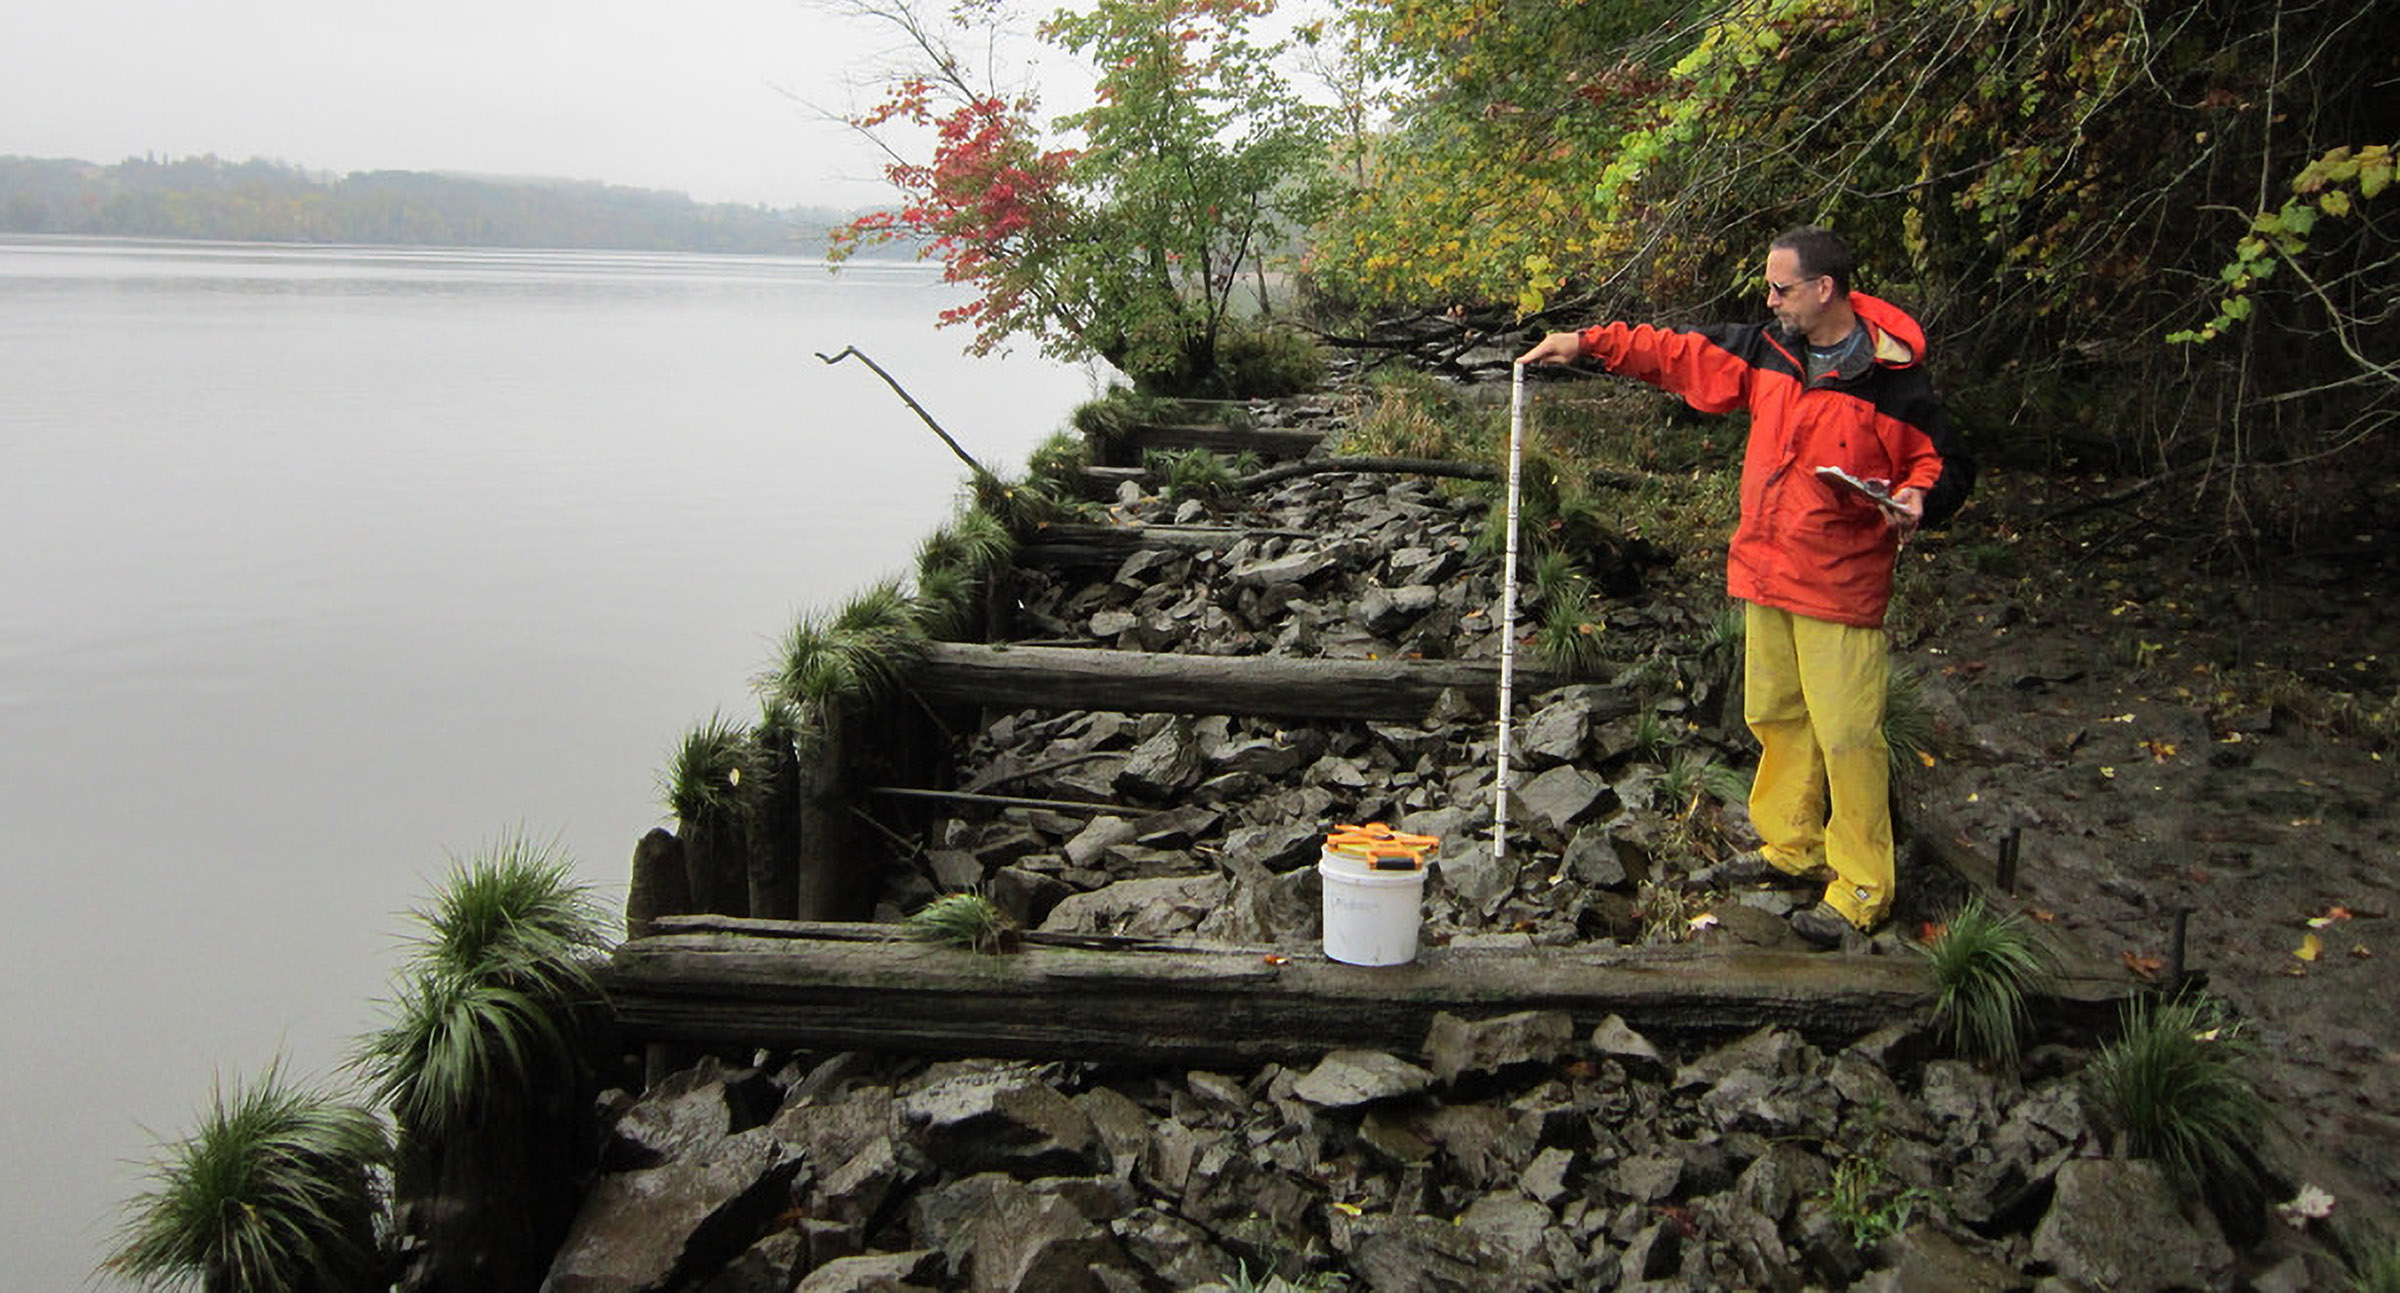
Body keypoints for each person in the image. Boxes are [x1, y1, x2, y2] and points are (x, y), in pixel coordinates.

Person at [1516, 225, 1971, 947]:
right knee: (1775, 712)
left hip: (1841, 583)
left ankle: (1860, 884)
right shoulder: (1770, 348)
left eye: (1781, 287)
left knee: (1850, 736)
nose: (1770, 298)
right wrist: (1587, 343)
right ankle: (1792, 843)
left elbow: (1942, 462)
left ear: (1825, 289)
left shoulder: (1892, 379)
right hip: (1768, 571)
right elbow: (1678, 353)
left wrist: (1918, 500)